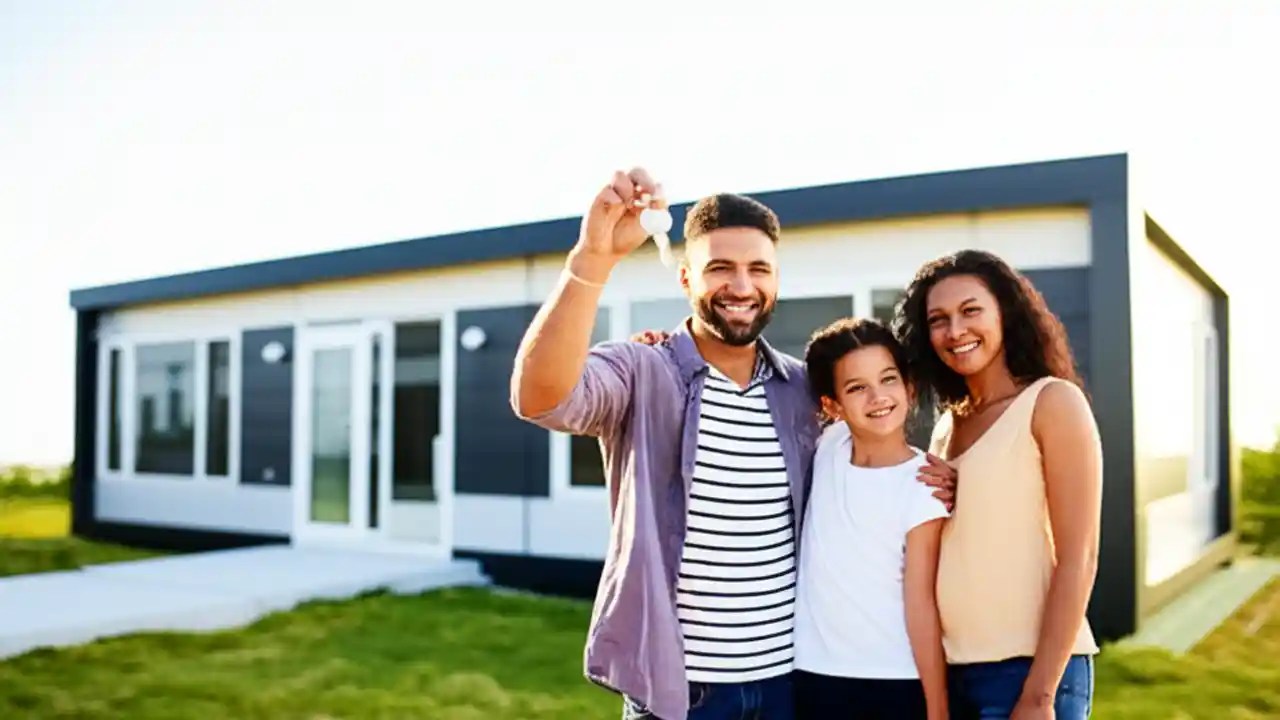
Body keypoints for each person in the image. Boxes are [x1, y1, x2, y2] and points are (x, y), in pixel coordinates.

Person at [508, 167, 956, 720]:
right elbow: (539, 398)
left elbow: (871, 445)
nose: (742, 287)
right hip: (678, 694)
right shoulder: (642, 371)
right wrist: (592, 259)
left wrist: (935, 473)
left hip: (788, 685)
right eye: (720, 268)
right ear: (686, 280)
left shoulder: (802, 390)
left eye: (758, 269)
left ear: (776, 280)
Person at [894, 249, 1102, 720]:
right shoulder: (947, 425)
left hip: (1028, 672)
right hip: (955, 670)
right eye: (938, 319)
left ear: (1005, 312)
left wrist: (1040, 694)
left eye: (971, 311)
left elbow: (1080, 557)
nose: (955, 331)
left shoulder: (1051, 402)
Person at [791, 317, 950, 720]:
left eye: (888, 379)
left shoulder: (923, 487)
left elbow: (921, 605)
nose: (877, 397)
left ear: (909, 388)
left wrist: (937, 708)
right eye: (857, 388)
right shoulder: (829, 445)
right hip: (813, 676)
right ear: (832, 406)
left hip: (893, 683)